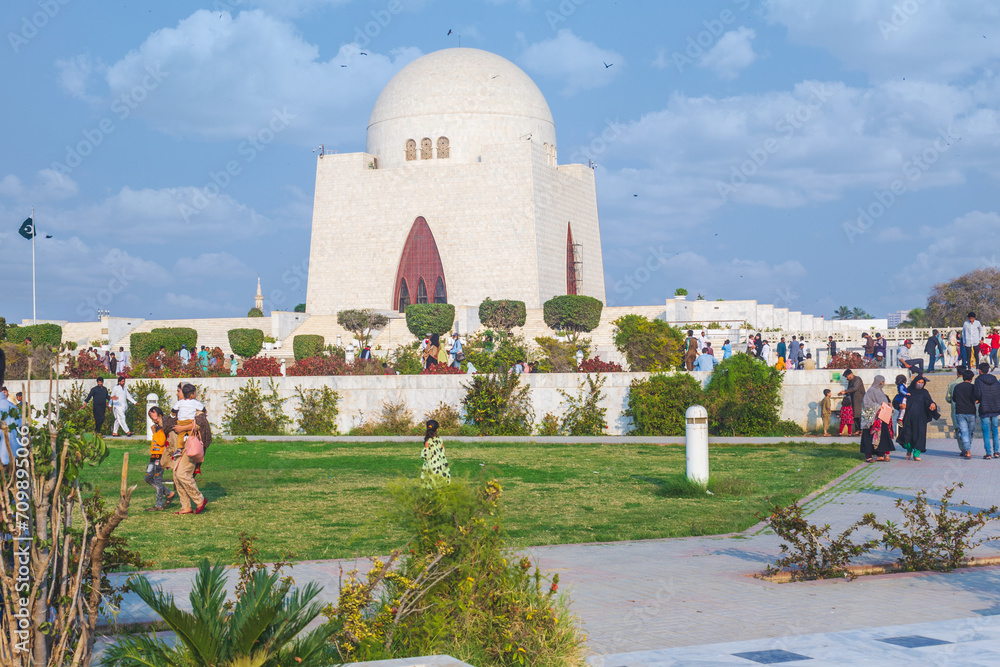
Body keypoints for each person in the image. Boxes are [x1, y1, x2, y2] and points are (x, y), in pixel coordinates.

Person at [169, 383, 207, 514]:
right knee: (176, 475)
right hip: (181, 445)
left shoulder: (196, 407)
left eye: (178, 391)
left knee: (182, 474)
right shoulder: (181, 408)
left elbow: (200, 424)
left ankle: (199, 500)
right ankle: (185, 506)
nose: (176, 394)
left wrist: (182, 428)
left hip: (190, 445)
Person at [896, 375, 939, 461]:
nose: (920, 384)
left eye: (922, 383)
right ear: (915, 382)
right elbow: (897, 399)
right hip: (908, 418)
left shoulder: (925, 392)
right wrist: (899, 405)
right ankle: (909, 450)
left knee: (920, 436)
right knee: (907, 435)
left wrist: (933, 405)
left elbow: (929, 401)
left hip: (920, 419)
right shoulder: (907, 390)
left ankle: (916, 454)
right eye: (919, 382)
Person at [860, 375, 896, 463]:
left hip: (881, 418)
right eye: (882, 382)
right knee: (869, 436)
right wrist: (878, 407)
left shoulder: (880, 391)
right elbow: (867, 404)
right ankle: (868, 455)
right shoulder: (871, 391)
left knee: (882, 436)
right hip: (872, 419)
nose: (883, 383)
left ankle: (880, 454)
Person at [974, 362, 1000, 459]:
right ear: (988, 370)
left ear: (980, 370)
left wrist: (977, 400)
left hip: (984, 408)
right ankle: (996, 452)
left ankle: (988, 453)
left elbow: (977, 394)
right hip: (995, 408)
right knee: (995, 430)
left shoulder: (978, 380)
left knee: (985, 431)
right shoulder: (994, 379)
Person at [145, 413, 169, 511]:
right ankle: (168, 492)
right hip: (153, 456)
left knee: (158, 480)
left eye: (153, 417)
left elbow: (161, 442)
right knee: (147, 477)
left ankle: (159, 505)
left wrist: (154, 432)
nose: (153, 420)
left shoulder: (163, 430)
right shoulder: (157, 429)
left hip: (160, 457)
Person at [951, 370, 977, 459]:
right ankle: (968, 450)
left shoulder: (957, 387)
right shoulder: (973, 387)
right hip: (971, 411)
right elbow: (976, 399)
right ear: (971, 378)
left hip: (960, 411)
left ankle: (967, 450)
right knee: (970, 432)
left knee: (963, 431)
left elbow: (954, 399)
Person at [420, 419, 450, 484]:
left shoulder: (428, 441)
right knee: (440, 479)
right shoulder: (440, 439)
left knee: (430, 480)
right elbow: (443, 451)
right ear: (437, 429)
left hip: (431, 464)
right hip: (440, 463)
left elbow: (426, 454)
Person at [839, 369, 865, 433]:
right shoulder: (850, 381)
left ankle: (861, 430)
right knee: (854, 415)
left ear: (851, 374)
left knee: (859, 415)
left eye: (847, 376)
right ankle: (857, 430)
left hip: (859, 400)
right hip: (853, 400)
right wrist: (844, 393)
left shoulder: (857, 379)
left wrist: (845, 391)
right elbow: (849, 390)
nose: (847, 378)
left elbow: (854, 388)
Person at [945, 365, 967, 436]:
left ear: (957, 373)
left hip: (956, 407)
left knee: (958, 428)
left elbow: (948, 398)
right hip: (968, 408)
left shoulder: (952, 383)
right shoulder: (971, 383)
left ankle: (962, 445)